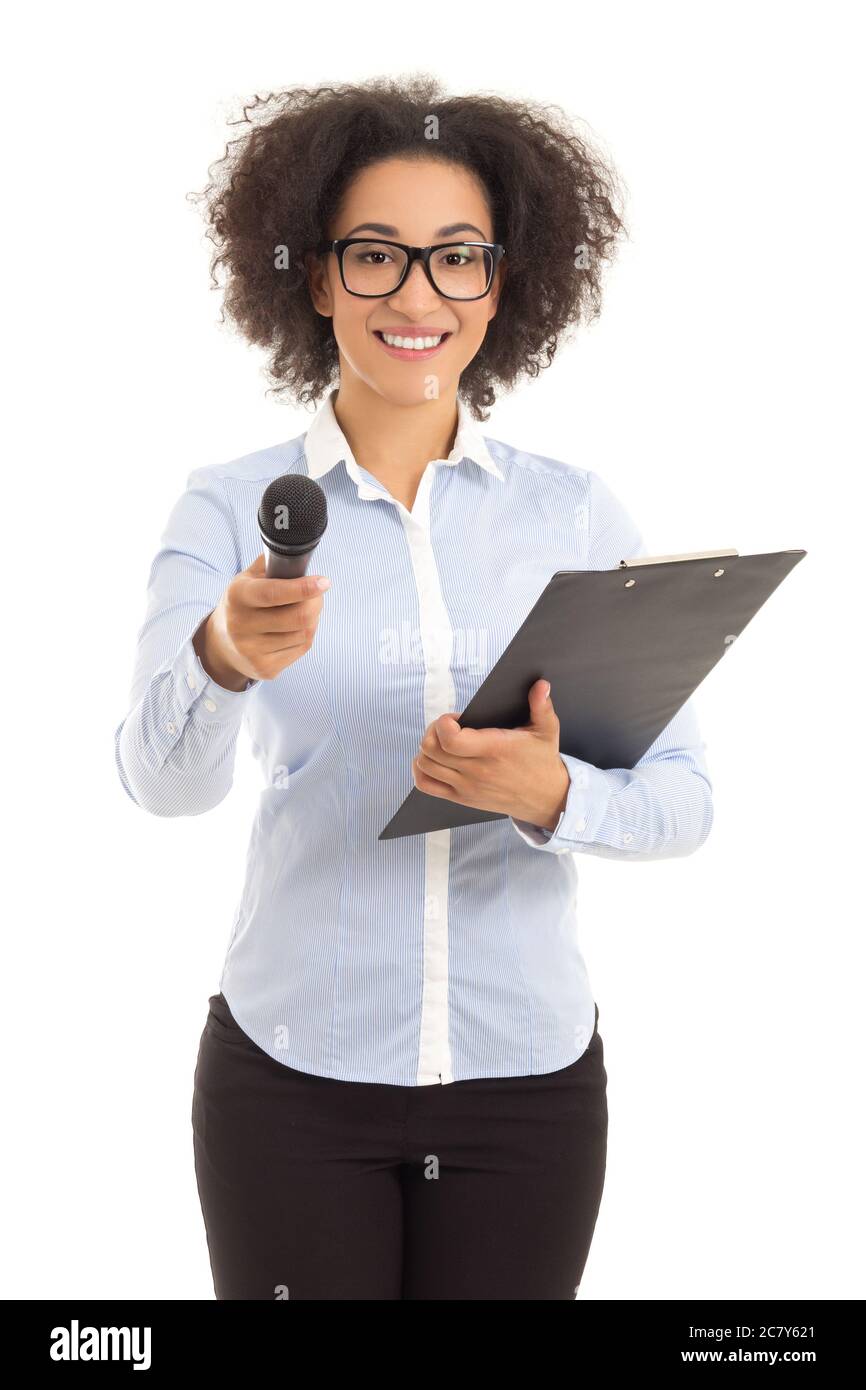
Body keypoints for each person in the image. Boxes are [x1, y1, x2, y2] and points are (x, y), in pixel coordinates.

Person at [114, 75, 713, 1300]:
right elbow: (159, 784)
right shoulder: (231, 507)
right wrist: (222, 656)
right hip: (292, 1088)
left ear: (503, 283)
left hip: (525, 1094)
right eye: (375, 255)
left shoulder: (573, 511)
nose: (416, 297)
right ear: (318, 276)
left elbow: (686, 798)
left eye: (457, 259)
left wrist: (553, 794)